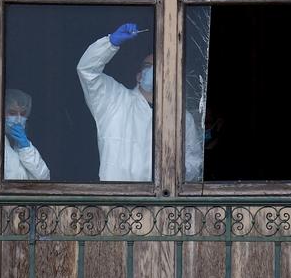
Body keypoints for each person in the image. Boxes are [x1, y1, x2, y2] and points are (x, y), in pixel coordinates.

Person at [78, 23, 203, 182]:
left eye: (162, 68)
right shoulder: (114, 101)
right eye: (149, 66)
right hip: (117, 202)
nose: (156, 71)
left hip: (161, 204)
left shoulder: (182, 118)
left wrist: (176, 170)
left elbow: (194, 160)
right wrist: (109, 43)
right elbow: (87, 71)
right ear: (139, 76)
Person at [2, 89, 51, 181]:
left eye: (23, 114)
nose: (18, 119)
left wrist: (26, 148)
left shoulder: (22, 145)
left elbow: (44, 177)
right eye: (12, 113)